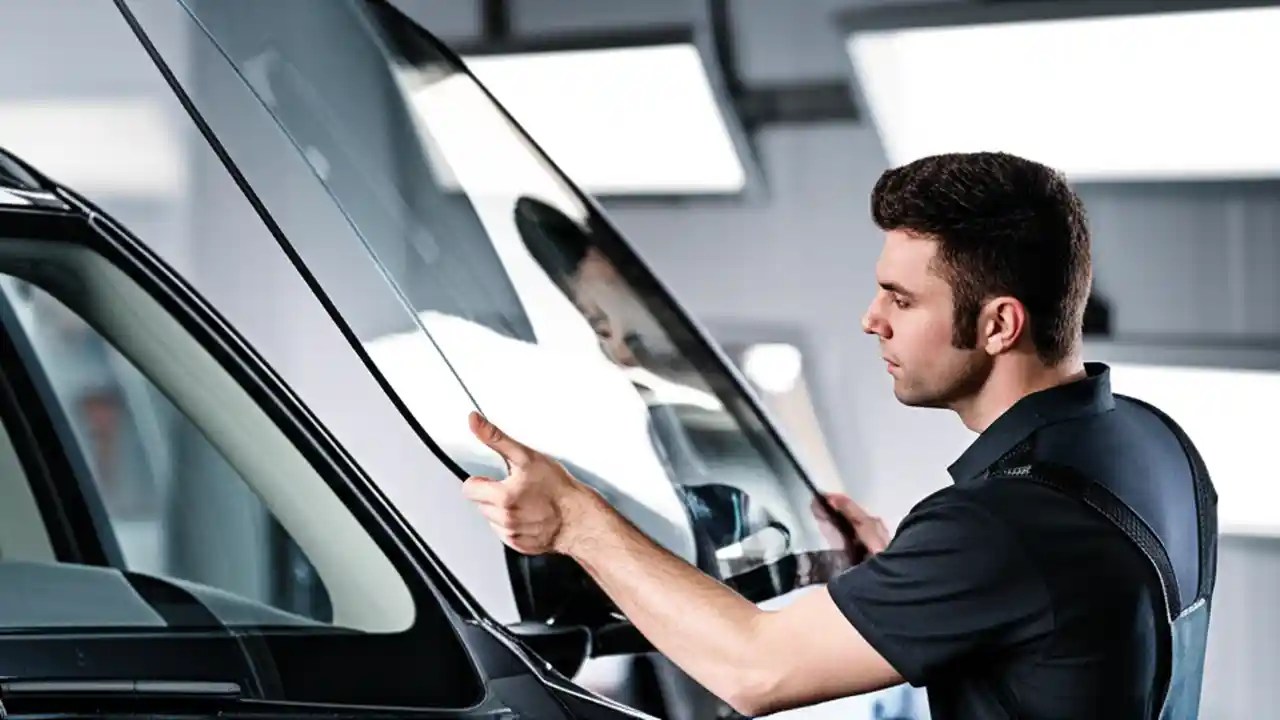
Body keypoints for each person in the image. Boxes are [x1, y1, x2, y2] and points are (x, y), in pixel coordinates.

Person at [462, 152, 1217, 719]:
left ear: (998, 324)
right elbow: (1071, 627)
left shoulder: (1000, 525)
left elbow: (754, 671)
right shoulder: (1160, 444)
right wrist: (904, 572)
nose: (871, 319)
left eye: (900, 298)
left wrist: (575, 520)